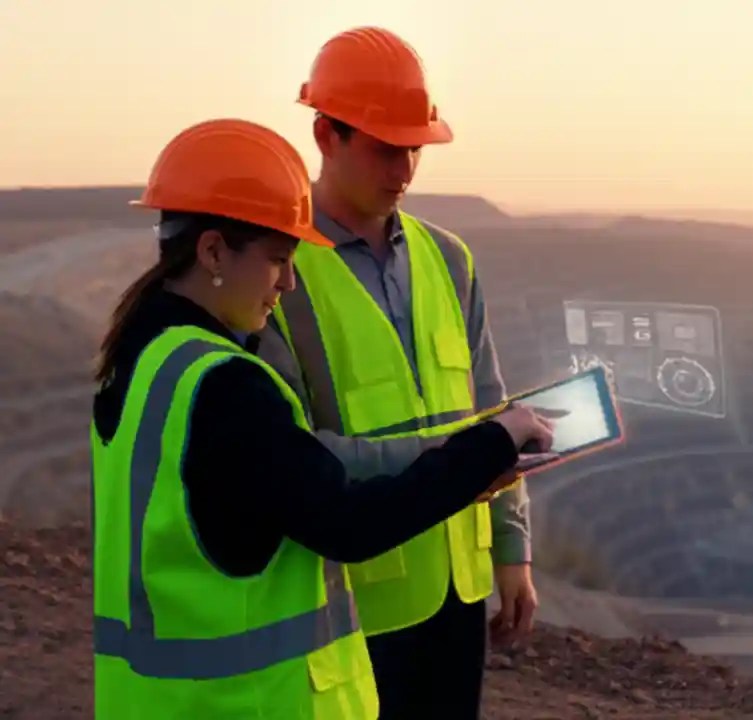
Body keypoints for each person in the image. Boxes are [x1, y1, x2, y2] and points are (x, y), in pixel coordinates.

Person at [90, 117, 554, 719]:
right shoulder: (226, 388)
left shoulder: (142, 360)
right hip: (241, 706)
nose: (288, 281)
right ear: (213, 252)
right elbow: (349, 522)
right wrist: (489, 447)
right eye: (278, 259)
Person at [253, 26, 536, 718]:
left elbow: (490, 405)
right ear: (326, 135)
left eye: (415, 149)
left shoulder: (449, 259)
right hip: (355, 600)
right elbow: (294, 454)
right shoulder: (278, 274)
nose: (404, 169)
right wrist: (460, 458)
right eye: (386, 148)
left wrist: (512, 547)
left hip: (458, 592)